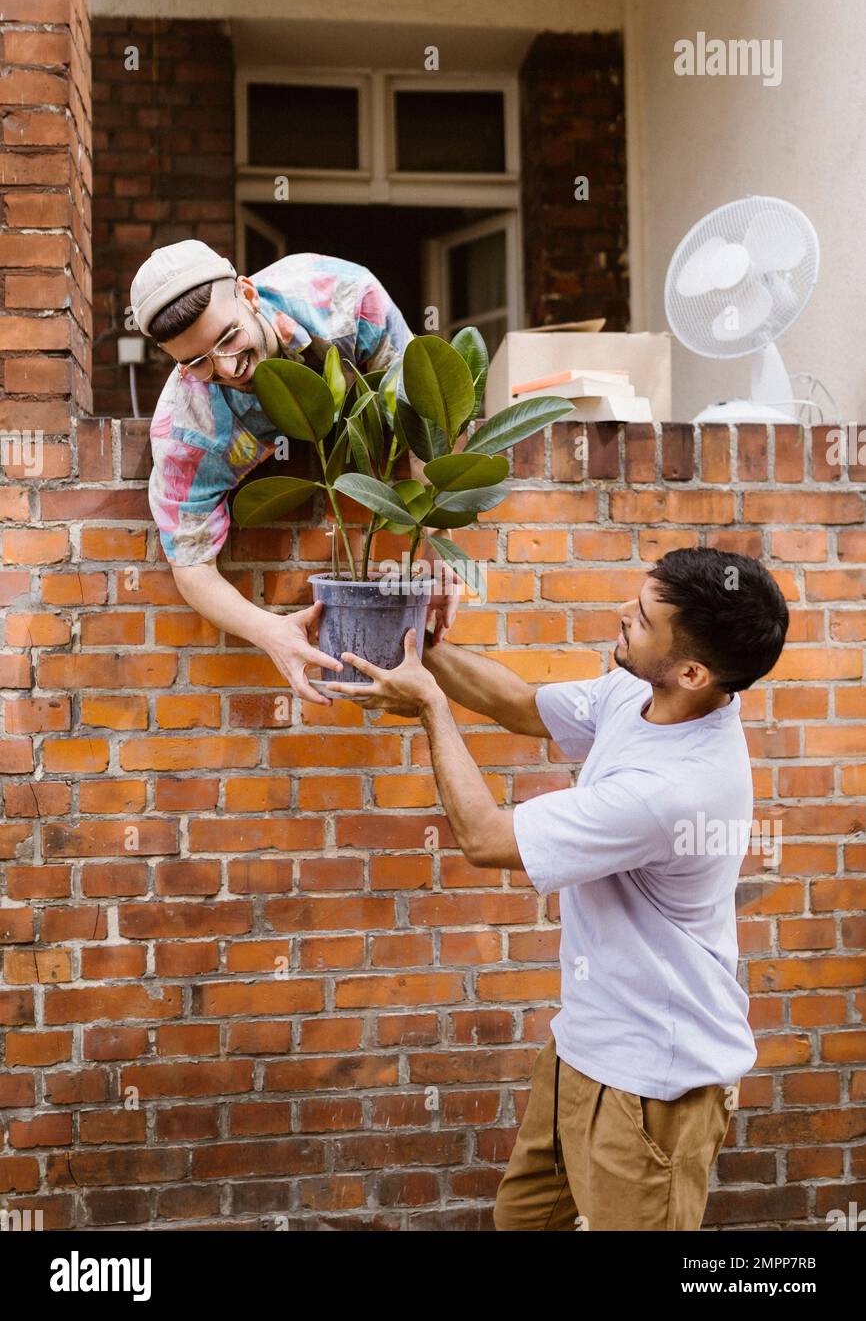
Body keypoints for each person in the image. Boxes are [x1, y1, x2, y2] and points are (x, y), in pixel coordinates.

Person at [324, 547, 790, 1231]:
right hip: (583, 1048)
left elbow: (484, 837)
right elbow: (516, 704)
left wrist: (429, 707)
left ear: (693, 670)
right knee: (524, 1222)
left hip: (655, 1082)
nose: (620, 619)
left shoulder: (676, 791)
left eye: (640, 619)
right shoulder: (642, 692)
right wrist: (412, 641)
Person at [130, 241, 458, 704]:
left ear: (248, 294)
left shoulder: (343, 296)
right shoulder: (186, 429)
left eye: (228, 338)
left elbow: (422, 412)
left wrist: (440, 551)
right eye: (197, 361)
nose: (227, 367)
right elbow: (190, 564)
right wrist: (270, 632)